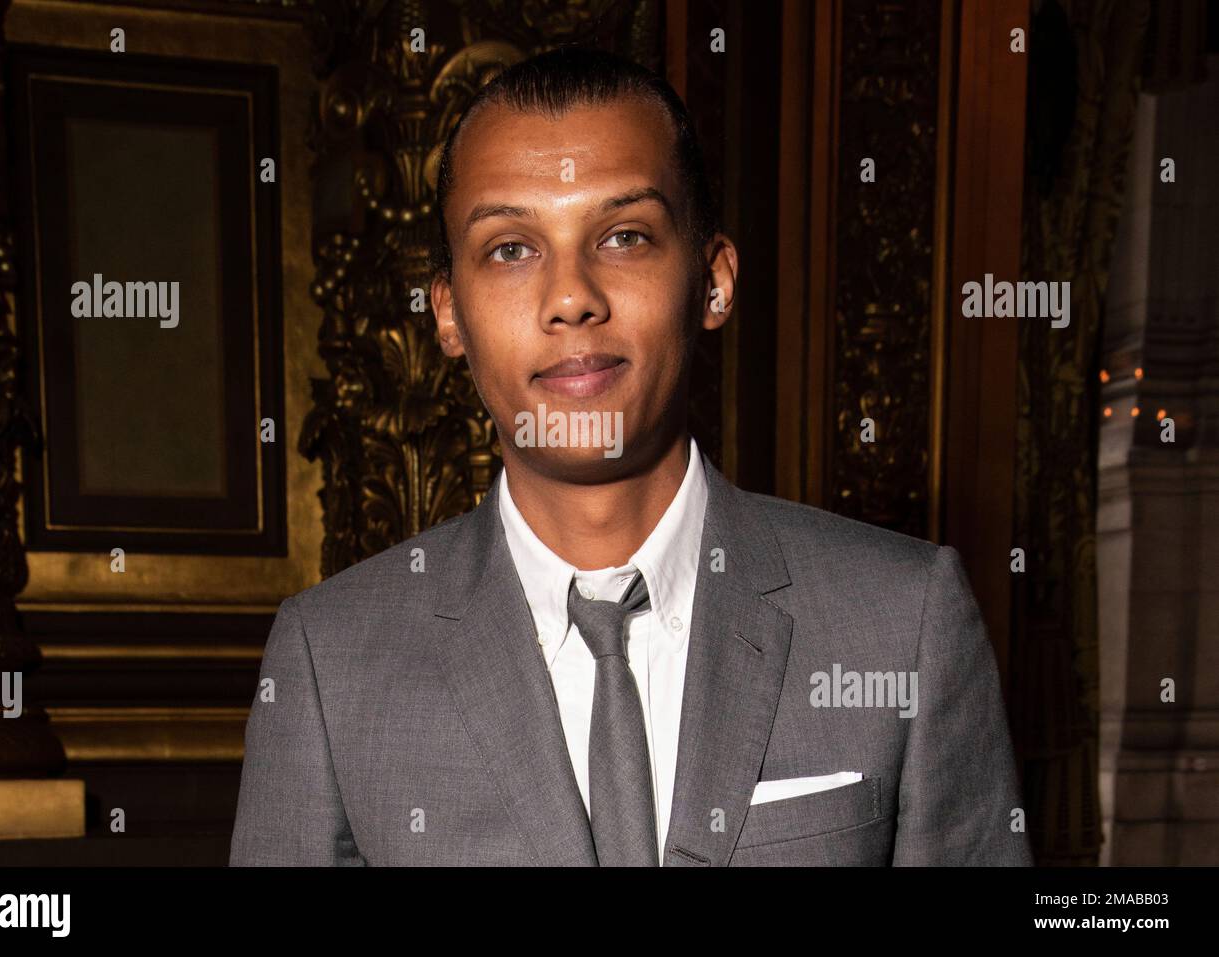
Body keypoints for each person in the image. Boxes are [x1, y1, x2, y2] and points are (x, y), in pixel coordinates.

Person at [230, 45, 1032, 866]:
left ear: (713, 280)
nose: (572, 294)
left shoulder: (905, 621)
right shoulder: (329, 661)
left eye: (623, 235)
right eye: (511, 248)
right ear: (447, 315)